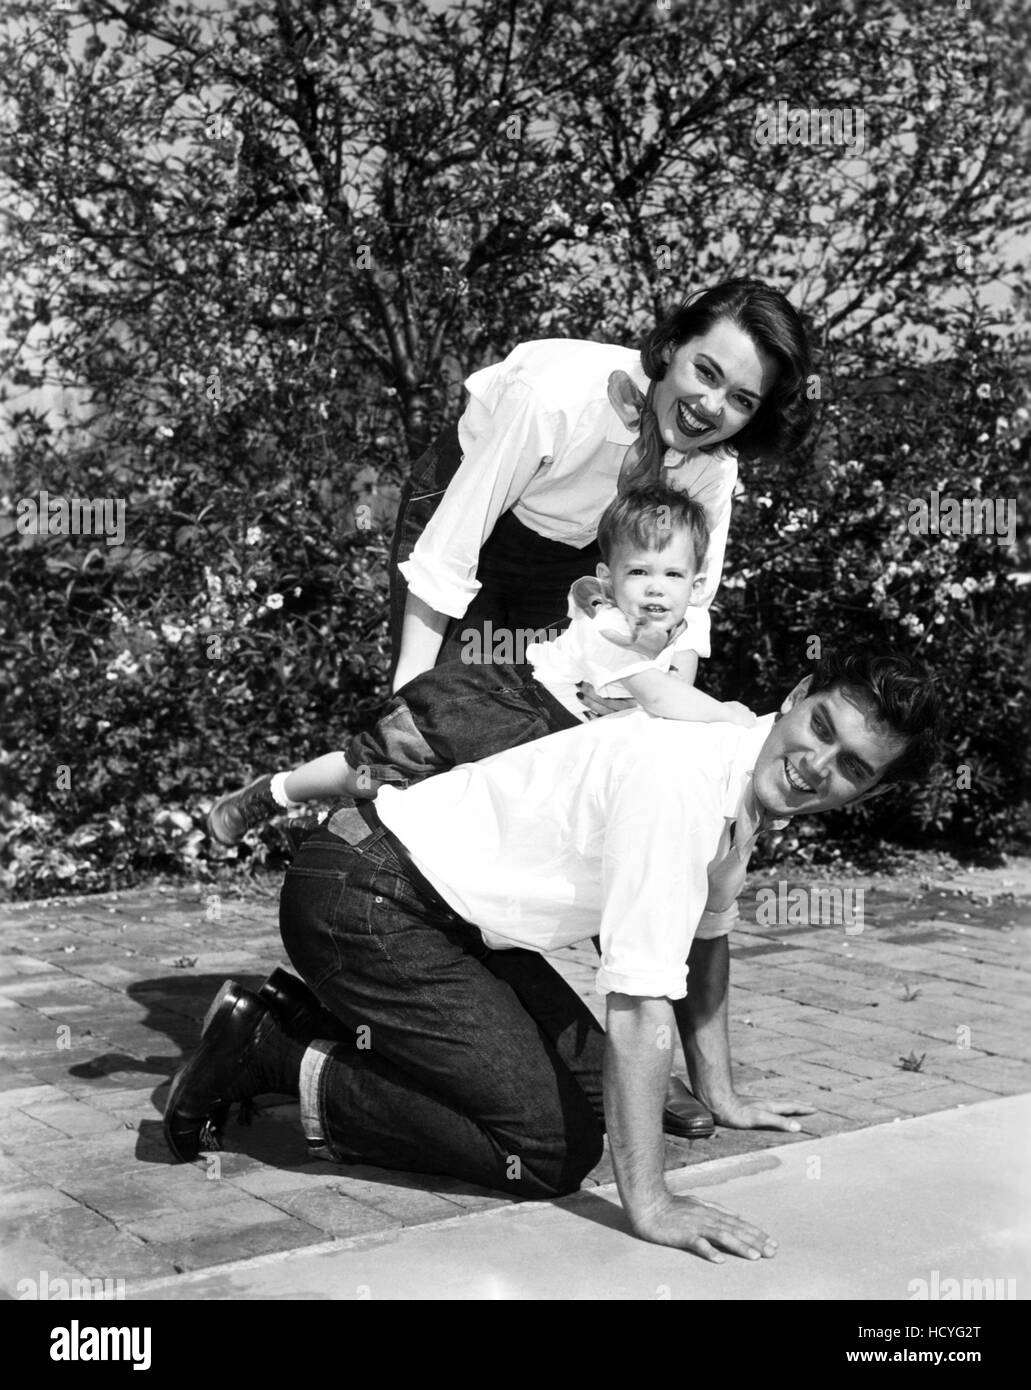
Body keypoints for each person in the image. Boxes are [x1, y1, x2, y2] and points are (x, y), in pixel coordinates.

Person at [165, 649, 942, 1262]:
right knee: (546, 1151)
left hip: (448, 917)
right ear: (796, 694)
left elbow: (708, 936)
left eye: (850, 768)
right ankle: (269, 1053)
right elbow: (638, 1007)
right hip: (364, 898)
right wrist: (653, 1205)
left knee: (595, 1097)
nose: (817, 764)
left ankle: (325, 1019)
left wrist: (723, 1092)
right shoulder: (685, 784)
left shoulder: (744, 774)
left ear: (866, 792)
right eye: (821, 728)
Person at [205, 484, 756, 844]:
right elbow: (663, 697)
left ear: (697, 584)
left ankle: (331, 837)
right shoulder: (607, 625)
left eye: (673, 576)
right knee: (376, 767)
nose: (656, 589)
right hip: (501, 706)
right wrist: (729, 715)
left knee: (434, 821)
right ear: (608, 580)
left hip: (546, 747)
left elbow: (674, 692)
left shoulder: (683, 627)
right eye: (639, 573)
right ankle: (279, 791)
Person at [388, 278, 813, 690]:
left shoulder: (713, 467)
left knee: (539, 701)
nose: (711, 407)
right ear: (670, 348)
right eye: (705, 372)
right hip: (470, 511)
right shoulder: (555, 396)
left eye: (742, 400)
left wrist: (666, 705)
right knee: (442, 699)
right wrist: (406, 700)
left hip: (575, 557)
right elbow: (447, 554)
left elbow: (688, 597)